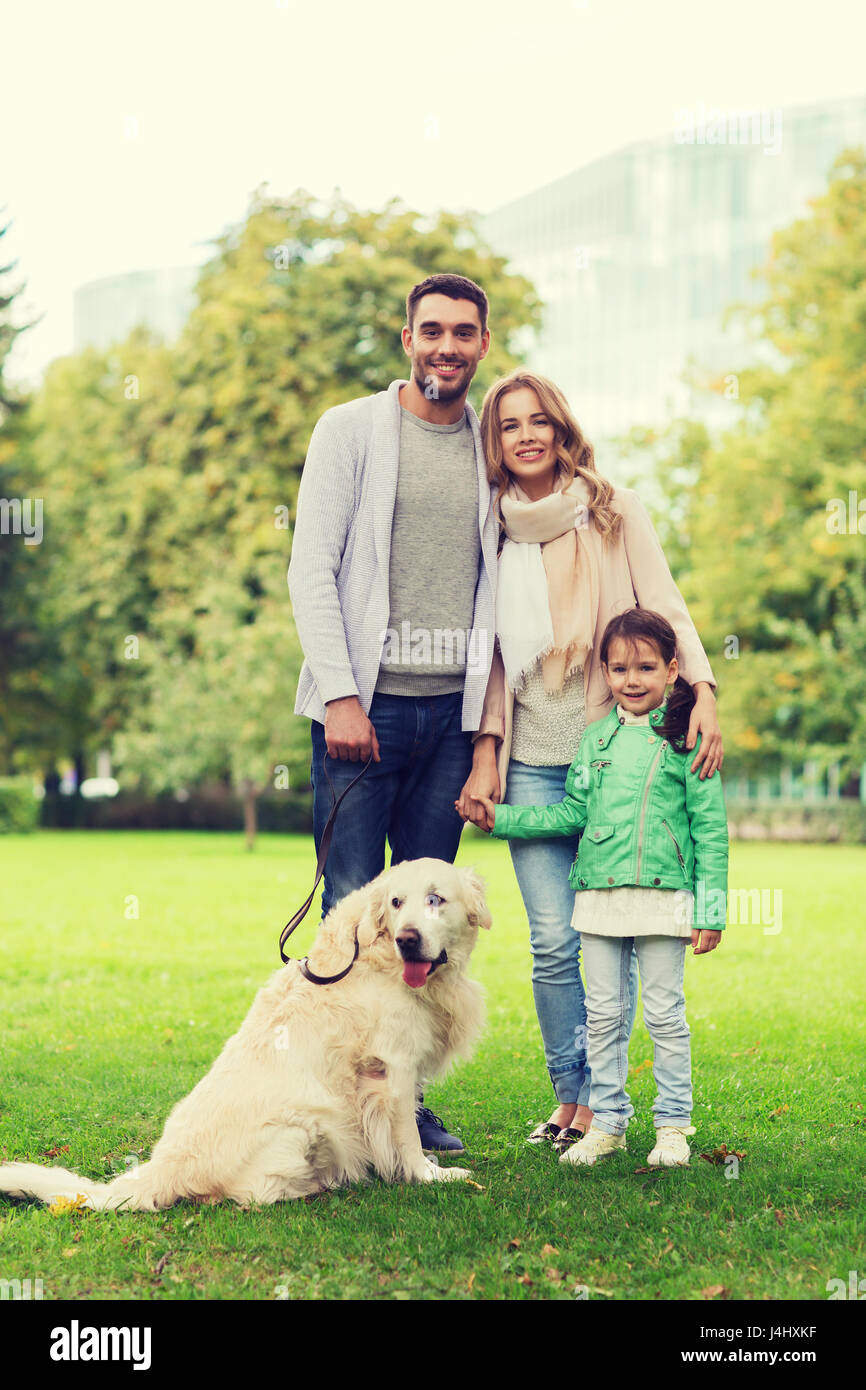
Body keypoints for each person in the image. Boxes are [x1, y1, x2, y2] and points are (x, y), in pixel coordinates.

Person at [456, 371, 723, 1153]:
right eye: (510, 426)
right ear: (496, 443)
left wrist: (702, 687)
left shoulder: (612, 509)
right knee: (551, 940)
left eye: (540, 421)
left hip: (615, 756)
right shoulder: (494, 527)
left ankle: (612, 1109)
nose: (527, 435)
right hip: (533, 762)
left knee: (616, 926)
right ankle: (573, 1101)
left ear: (562, 427)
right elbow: (492, 655)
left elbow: (665, 604)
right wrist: (486, 750)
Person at [288, 272, 499, 1153]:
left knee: (423, 923)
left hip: (450, 719)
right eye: (431, 330)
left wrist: (487, 732)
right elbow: (313, 567)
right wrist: (341, 693)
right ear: (406, 338)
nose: (446, 346)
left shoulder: (495, 444)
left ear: (483, 344)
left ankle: (403, 1101)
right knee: (351, 912)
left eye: (463, 332)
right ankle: (330, 1094)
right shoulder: (350, 430)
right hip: (360, 715)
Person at [475, 609, 728, 1167]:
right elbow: (570, 814)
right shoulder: (594, 742)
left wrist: (710, 909)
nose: (632, 680)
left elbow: (710, 831)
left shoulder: (687, 739)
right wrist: (505, 819)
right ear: (604, 674)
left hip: (665, 901)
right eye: (618, 669)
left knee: (664, 1013)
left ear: (672, 668)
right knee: (605, 1016)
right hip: (598, 901)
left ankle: (673, 1128)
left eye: (645, 667)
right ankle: (607, 1122)